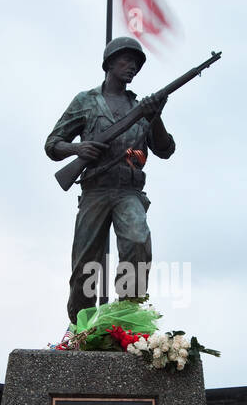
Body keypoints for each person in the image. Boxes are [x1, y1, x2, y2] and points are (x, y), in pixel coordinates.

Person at [44, 36, 175, 324]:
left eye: (137, 64)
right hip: (96, 190)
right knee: (85, 266)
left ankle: (126, 316)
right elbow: (52, 144)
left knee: (138, 242)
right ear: (109, 63)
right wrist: (78, 148)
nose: (132, 68)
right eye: (126, 60)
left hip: (129, 190)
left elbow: (165, 150)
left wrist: (157, 116)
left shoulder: (143, 107)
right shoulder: (86, 101)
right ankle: (81, 326)